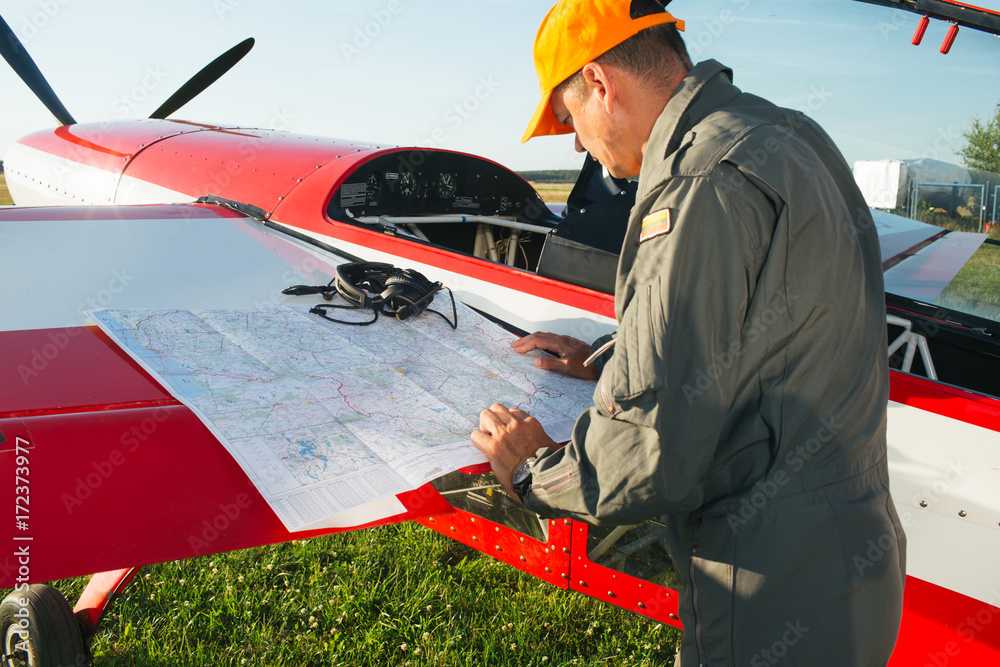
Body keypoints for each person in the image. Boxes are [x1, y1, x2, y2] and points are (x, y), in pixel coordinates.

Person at [470, 0, 907, 665]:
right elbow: (771, 317)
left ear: (600, 85)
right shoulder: (786, 133)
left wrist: (534, 469)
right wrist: (607, 357)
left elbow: (653, 450)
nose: (584, 147)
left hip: (766, 591)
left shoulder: (696, 183)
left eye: (571, 123)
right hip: (851, 560)